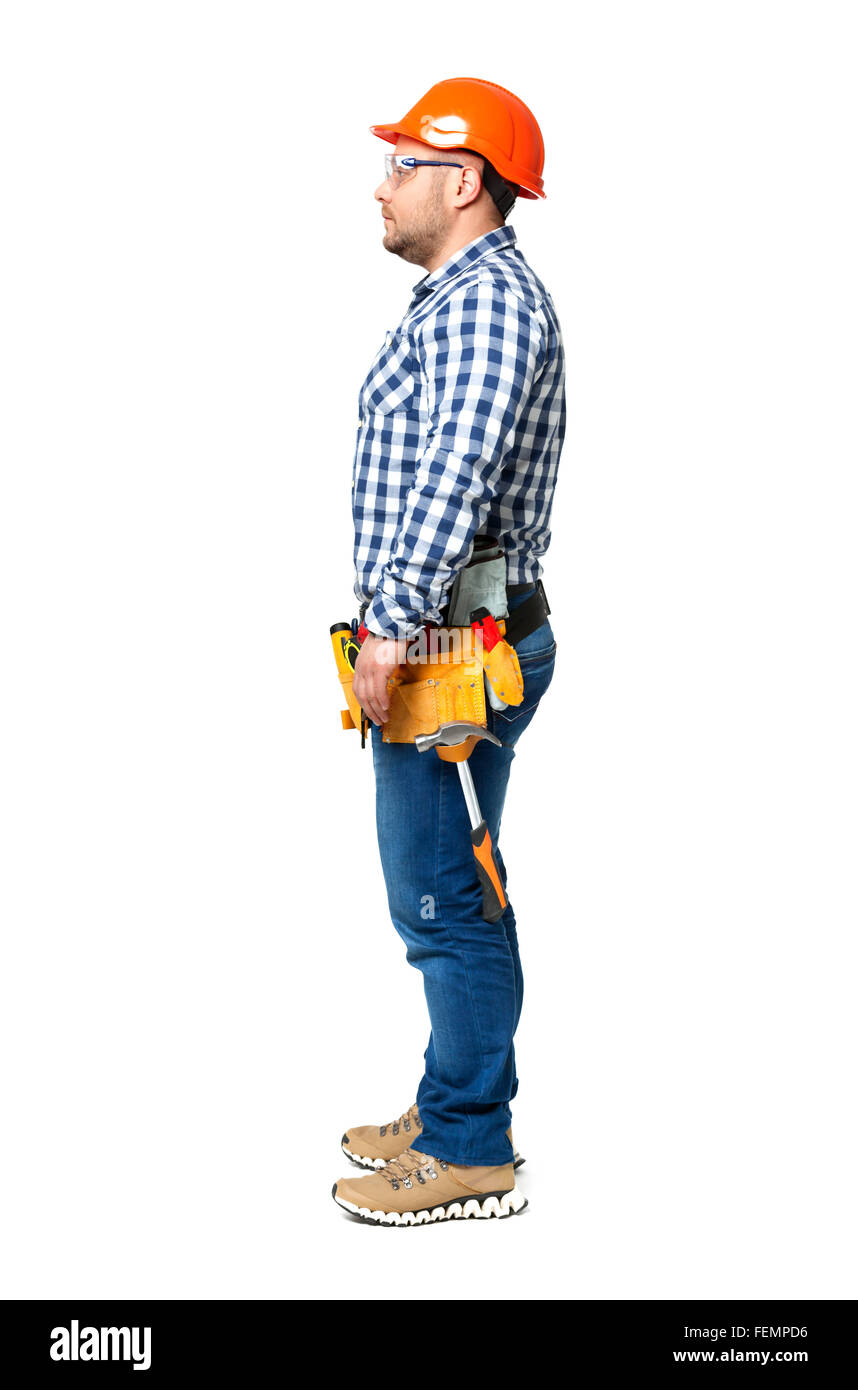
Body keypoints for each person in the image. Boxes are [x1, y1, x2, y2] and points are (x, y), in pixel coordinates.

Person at [332, 78, 566, 1226]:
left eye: (403, 164)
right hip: (451, 632)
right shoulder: (463, 298)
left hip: (450, 646)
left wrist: (390, 627)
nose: (382, 186)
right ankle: (453, 1106)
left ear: (463, 179)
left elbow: (452, 476)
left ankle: (470, 1148)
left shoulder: (486, 307)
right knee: (454, 884)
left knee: (443, 901)